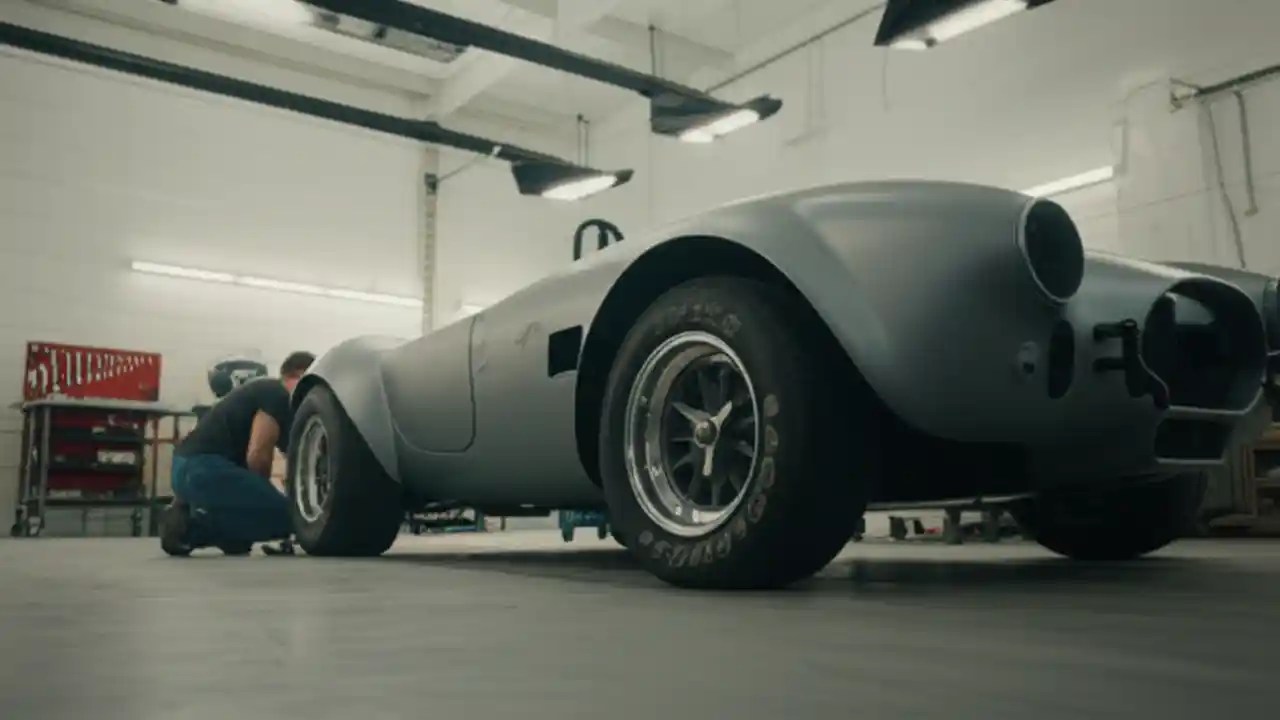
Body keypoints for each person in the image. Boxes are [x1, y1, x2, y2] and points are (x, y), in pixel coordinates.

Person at [160, 351, 315, 556]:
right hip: (202, 468)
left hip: (191, 469)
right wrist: (267, 500)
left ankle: (187, 532)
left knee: (243, 541)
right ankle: (190, 520)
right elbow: (257, 454)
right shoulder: (277, 392)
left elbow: (297, 463)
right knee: (295, 518)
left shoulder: (275, 401)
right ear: (300, 375)